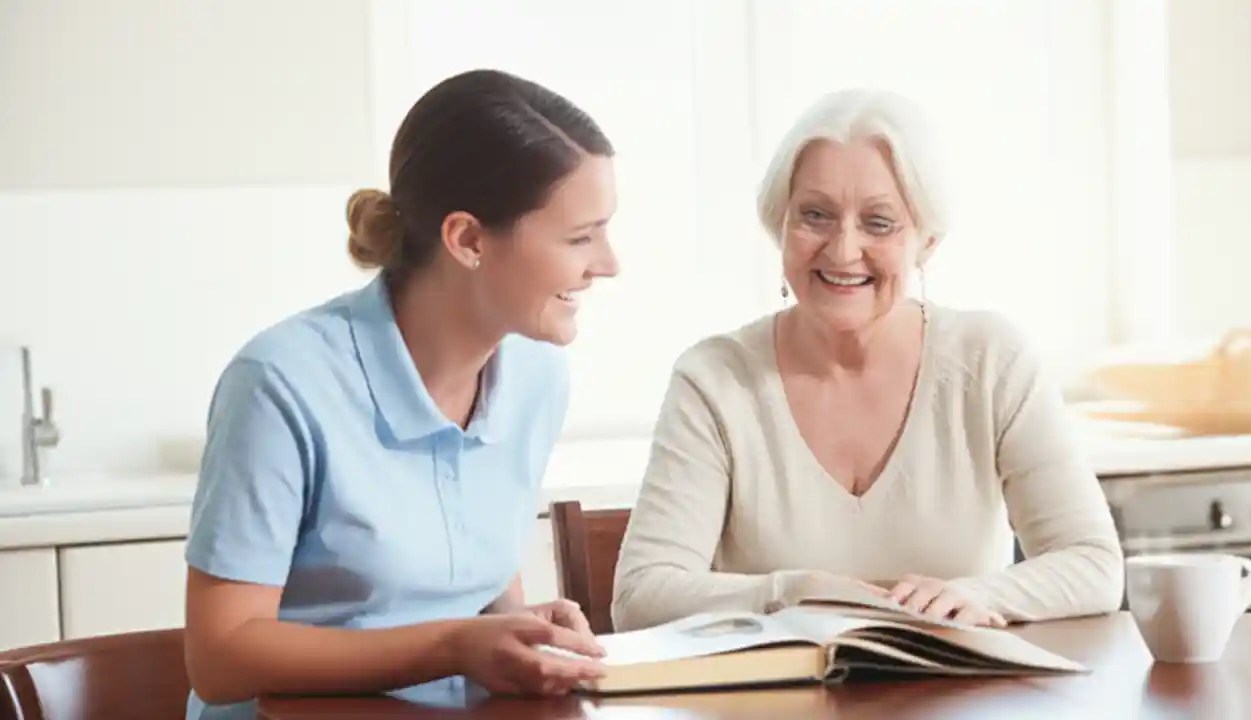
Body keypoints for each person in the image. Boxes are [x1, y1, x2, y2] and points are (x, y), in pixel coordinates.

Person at [183, 69, 621, 720]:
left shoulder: (535, 375)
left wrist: (520, 630)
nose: (608, 263)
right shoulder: (280, 384)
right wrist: (455, 646)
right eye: (580, 237)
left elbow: (476, 578)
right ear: (468, 239)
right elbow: (221, 659)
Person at [611, 89, 1123, 632]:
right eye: (815, 216)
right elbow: (641, 595)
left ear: (927, 242)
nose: (842, 250)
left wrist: (974, 596)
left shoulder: (992, 359)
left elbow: (1094, 565)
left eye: (879, 223)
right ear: (778, 223)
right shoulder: (714, 379)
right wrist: (792, 592)